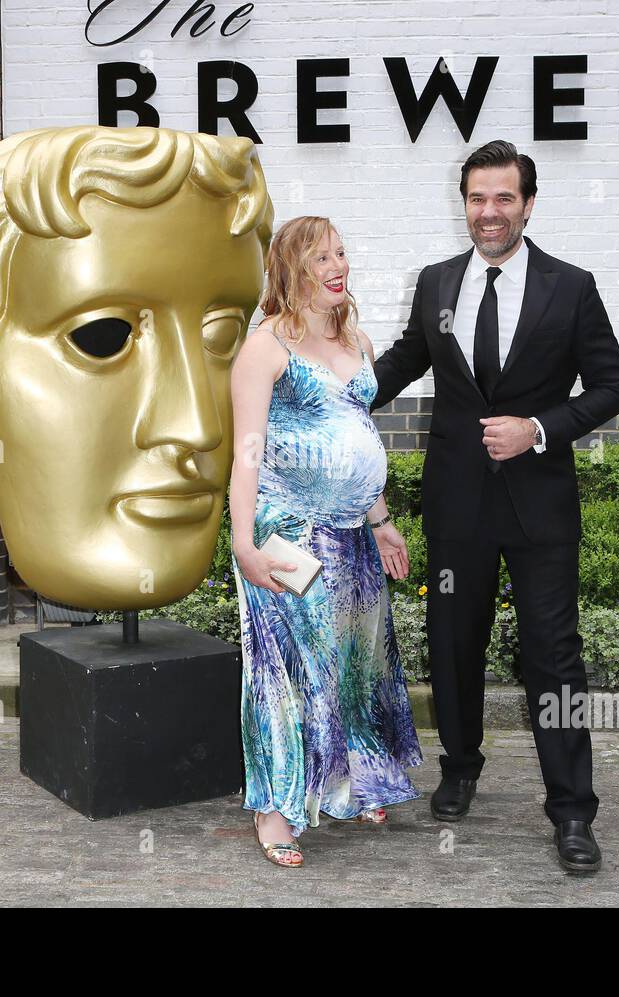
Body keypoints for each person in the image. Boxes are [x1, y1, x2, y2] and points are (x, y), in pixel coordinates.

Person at [370, 141, 619, 873]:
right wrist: (337, 387)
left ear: (528, 204)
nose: (489, 212)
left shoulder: (570, 287)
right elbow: (404, 360)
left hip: (541, 504)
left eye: (503, 199)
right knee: (455, 642)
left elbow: (613, 386)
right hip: (459, 500)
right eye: (477, 198)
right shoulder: (436, 284)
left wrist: (539, 429)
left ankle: (573, 811)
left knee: (555, 656)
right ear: (465, 204)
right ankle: (460, 767)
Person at [229, 215, 422, 868]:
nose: (339, 265)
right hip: (285, 530)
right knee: (291, 667)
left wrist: (382, 519)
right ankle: (275, 811)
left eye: (342, 252)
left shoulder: (355, 338)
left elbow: (355, 435)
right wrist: (244, 541)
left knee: (354, 660)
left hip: (350, 532)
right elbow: (247, 452)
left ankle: (351, 781)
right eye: (322, 257)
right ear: (292, 270)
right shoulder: (266, 348)